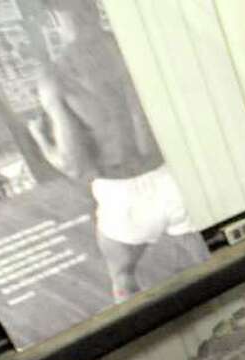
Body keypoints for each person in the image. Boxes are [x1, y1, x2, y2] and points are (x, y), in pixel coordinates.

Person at [27, 0, 207, 304]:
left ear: (53, 18)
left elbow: (75, 166)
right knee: (213, 261)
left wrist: (40, 139)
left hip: (122, 196)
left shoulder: (55, 76)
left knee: (122, 277)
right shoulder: (140, 48)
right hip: (173, 178)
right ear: (95, 7)